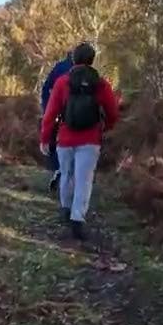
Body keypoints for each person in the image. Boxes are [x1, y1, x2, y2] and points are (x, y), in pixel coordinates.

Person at [39, 42, 120, 241]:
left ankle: (65, 210)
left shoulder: (62, 82)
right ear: (92, 59)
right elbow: (113, 111)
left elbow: (51, 113)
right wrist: (106, 127)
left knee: (66, 174)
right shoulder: (100, 83)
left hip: (65, 139)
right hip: (90, 140)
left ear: (73, 59)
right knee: (84, 179)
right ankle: (77, 219)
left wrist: (45, 137)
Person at [40, 49, 74, 191]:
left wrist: (47, 107)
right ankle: (67, 174)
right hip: (80, 117)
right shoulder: (89, 72)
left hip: (59, 113)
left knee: (57, 143)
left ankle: (60, 170)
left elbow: (46, 88)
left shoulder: (59, 67)